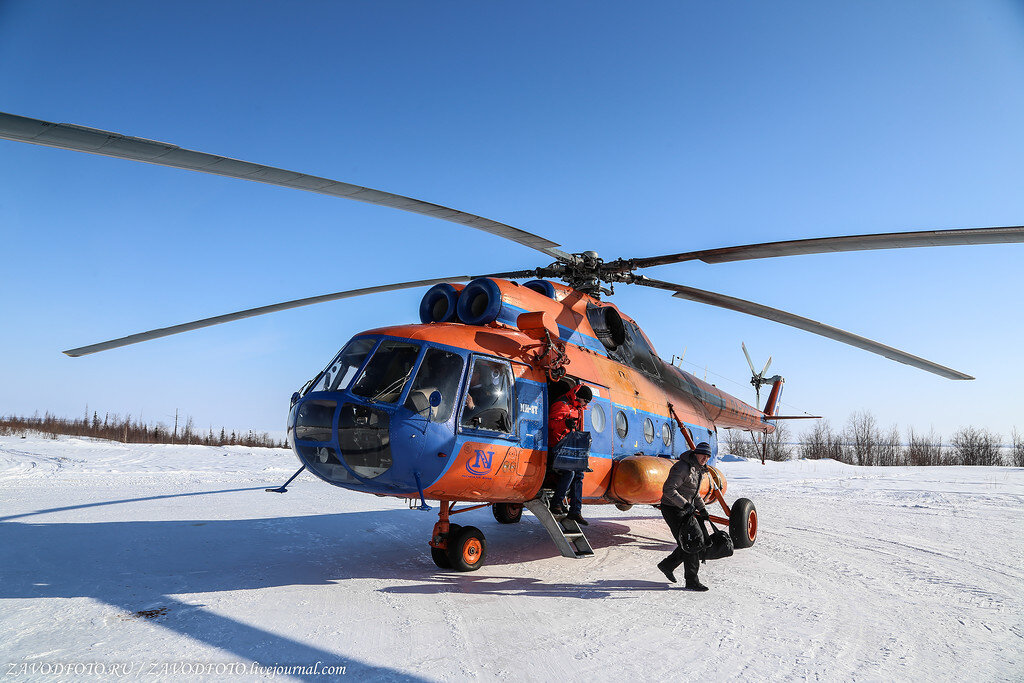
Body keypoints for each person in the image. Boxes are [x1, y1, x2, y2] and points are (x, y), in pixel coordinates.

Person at [657, 441, 712, 591]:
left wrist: (703, 509)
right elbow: (668, 489)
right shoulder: (682, 467)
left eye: (708, 456)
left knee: (689, 541)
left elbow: (693, 494)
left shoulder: (697, 469)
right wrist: (685, 505)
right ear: (696, 453)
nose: (705, 458)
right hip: (672, 508)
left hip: (684, 508)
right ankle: (692, 581)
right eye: (703, 455)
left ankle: (667, 565)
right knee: (692, 542)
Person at [548, 383, 593, 525]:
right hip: (556, 447)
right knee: (570, 473)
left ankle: (575, 511)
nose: (585, 404)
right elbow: (551, 426)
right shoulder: (561, 405)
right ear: (579, 397)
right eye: (585, 401)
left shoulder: (577, 408)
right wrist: (565, 425)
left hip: (568, 447)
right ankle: (556, 502)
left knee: (579, 473)